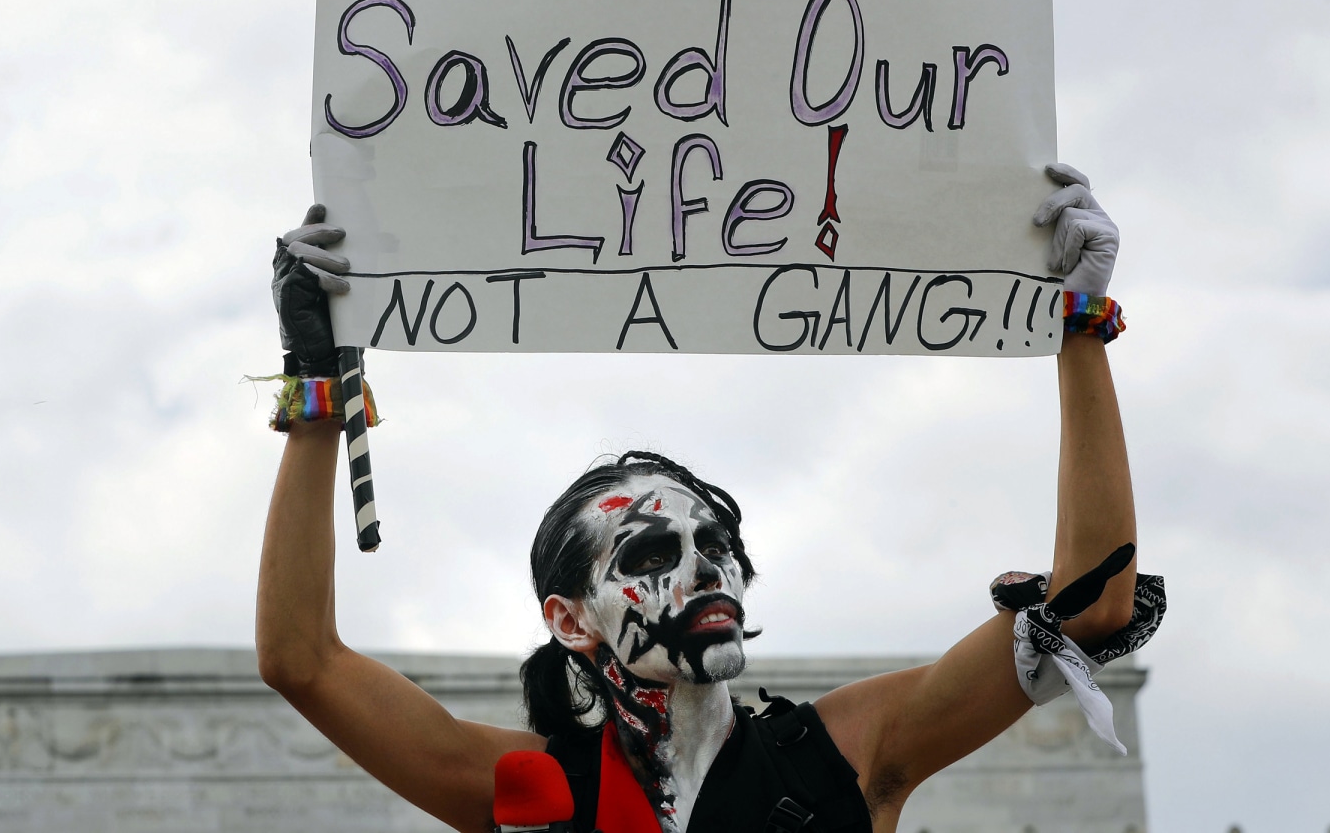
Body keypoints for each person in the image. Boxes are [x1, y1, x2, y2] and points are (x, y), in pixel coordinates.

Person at [255, 163, 1163, 833]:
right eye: (651, 557)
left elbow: (1091, 604)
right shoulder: (533, 789)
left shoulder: (843, 755)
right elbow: (302, 661)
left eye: (715, 543)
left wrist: (1083, 326)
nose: (704, 567)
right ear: (572, 621)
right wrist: (313, 391)